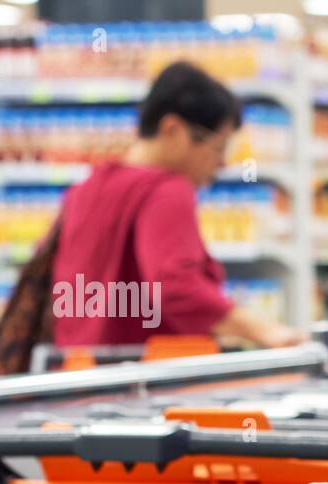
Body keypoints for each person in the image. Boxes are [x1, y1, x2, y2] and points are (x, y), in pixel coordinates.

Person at [50, 61, 303, 349]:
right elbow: (176, 287)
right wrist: (265, 330)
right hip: (144, 379)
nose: (221, 164)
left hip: (80, 370)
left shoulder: (86, 188)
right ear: (173, 129)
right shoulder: (167, 191)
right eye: (218, 148)